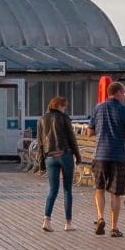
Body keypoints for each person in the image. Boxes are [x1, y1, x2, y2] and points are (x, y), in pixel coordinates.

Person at [87, 81, 125, 237]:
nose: (124, 97)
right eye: (124, 94)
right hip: (118, 156)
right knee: (116, 193)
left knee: (99, 189)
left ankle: (100, 218)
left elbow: (89, 132)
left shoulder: (98, 108)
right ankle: (114, 228)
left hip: (100, 154)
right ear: (119, 92)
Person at [34, 95, 79, 232]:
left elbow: (40, 143)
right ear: (59, 105)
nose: (65, 109)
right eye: (64, 106)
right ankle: (68, 223)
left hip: (50, 157)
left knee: (53, 190)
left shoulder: (41, 120)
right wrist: (78, 156)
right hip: (65, 155)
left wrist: (41, 164)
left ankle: (46, 221)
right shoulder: (64, 118)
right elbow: (72, 139)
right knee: (67, 190)